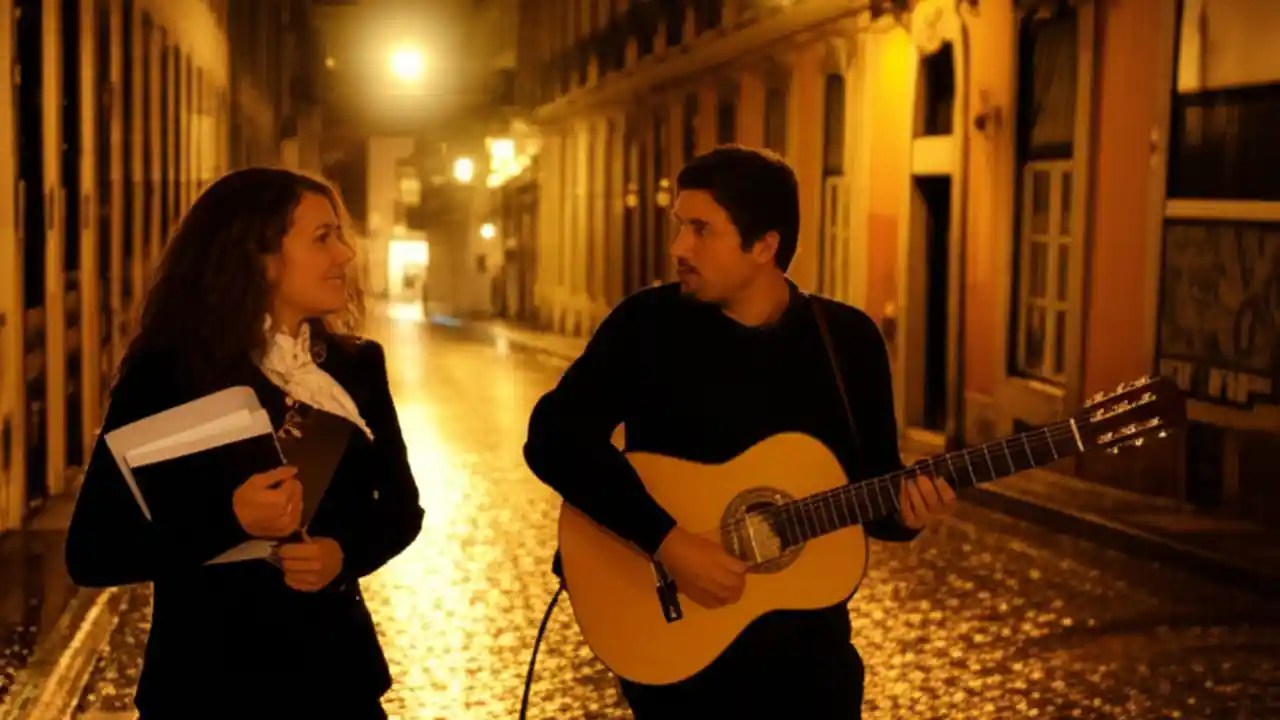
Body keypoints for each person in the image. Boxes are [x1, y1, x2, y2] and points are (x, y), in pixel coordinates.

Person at [523, 146, 957, 717]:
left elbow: (872, 486)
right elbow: (554, 438)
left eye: (701, 230)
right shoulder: (648, 325)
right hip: (683, 654)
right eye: (681, 226)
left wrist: (906, 514)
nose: (679, 248)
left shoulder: (847, 341)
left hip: (810, 657)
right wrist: (669, 543)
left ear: (764, 246)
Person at [66, 168, 424, 718]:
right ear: (260, 256)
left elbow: (401, 510)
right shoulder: (170, 374)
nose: (345, 255)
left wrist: (342, 554)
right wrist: (229, 519)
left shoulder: (357, 367)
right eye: (322, 238)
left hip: (338, 685)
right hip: (207, 690)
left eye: (340, 235)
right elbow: (94, 551)